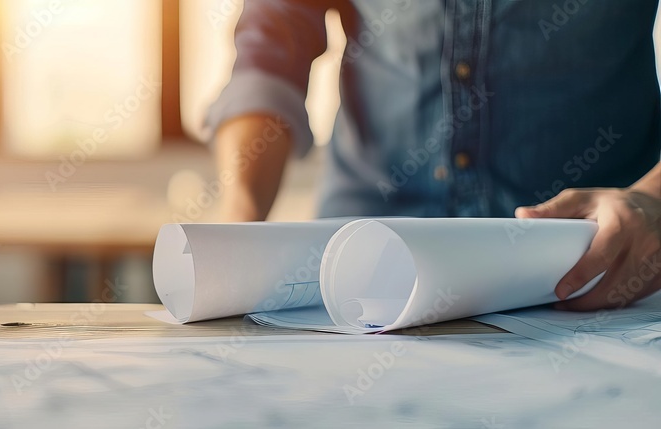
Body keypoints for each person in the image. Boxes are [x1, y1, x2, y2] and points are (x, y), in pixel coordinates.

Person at [206, 0, 661, 311]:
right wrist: (239, 218)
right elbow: (269, 54)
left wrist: (655, 199)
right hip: (359, 261)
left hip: (594, 265)